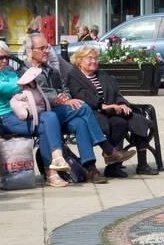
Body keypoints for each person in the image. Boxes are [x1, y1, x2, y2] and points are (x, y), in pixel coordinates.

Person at [18, 35, 136, 183]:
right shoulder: (25, 70)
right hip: (43, 114)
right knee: (83, 108)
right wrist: (57, 98)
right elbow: (35, 93)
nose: (47, 51)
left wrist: (66, 99)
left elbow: (64, 86)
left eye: (47, 47)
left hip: (60, 110)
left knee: (80, 122)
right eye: (42, 48)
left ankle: (90, 168)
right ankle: (108, 150)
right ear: (30, 51)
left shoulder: (51, 69)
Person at [0, 41, 73, 187]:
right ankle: (52, 173)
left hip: (21, 112)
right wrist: (22, 84)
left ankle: (57, 157)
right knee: (45, 127)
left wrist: (24, 84)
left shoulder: (10, 73)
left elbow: (22, 87)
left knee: (50, 116)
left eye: (7, 57)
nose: (5, 60)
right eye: (1, 57)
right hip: (2, 118)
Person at [66, 46, 158, 177]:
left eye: (95, 58)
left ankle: (140, 165)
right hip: (93, 112)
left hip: (112, 111)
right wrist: (106, 106)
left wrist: (121, 104)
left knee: (136, 120)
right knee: (117, 123)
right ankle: (112, 161)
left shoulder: (102, 75)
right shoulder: (74, 76)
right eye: (89, 58)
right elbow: (81, 96)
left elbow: (116, 94)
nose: (94, 61)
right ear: (79, 61)